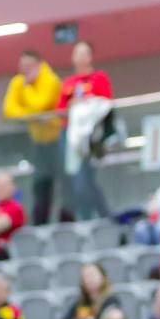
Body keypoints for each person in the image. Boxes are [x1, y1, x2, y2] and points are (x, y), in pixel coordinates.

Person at [3, 49, 63, 225]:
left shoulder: (50, 80)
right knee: (40, 186)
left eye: (29, 66)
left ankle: (66, 223)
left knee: (64, 186)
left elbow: (40, 105)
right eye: (23, 66)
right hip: (39, 143)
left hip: (58, 141)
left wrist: (27, 89)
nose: (25, 70)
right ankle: (40, 225)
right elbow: (8, 110)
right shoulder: (19, 82)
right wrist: (29, 113)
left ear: (39, 65)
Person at [57, 40, 114, 221]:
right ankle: (93, 217)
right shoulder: (68, 83)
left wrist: (86, 103)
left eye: (84, 53)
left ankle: (102, 216)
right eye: (77, 53)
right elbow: (60, 111)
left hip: (91, 135)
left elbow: (105, 104)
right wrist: (72, 105)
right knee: (76, 182)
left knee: (85, 180)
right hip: (71, 136)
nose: (81, 57)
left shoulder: (99, 78)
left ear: (90, 57)